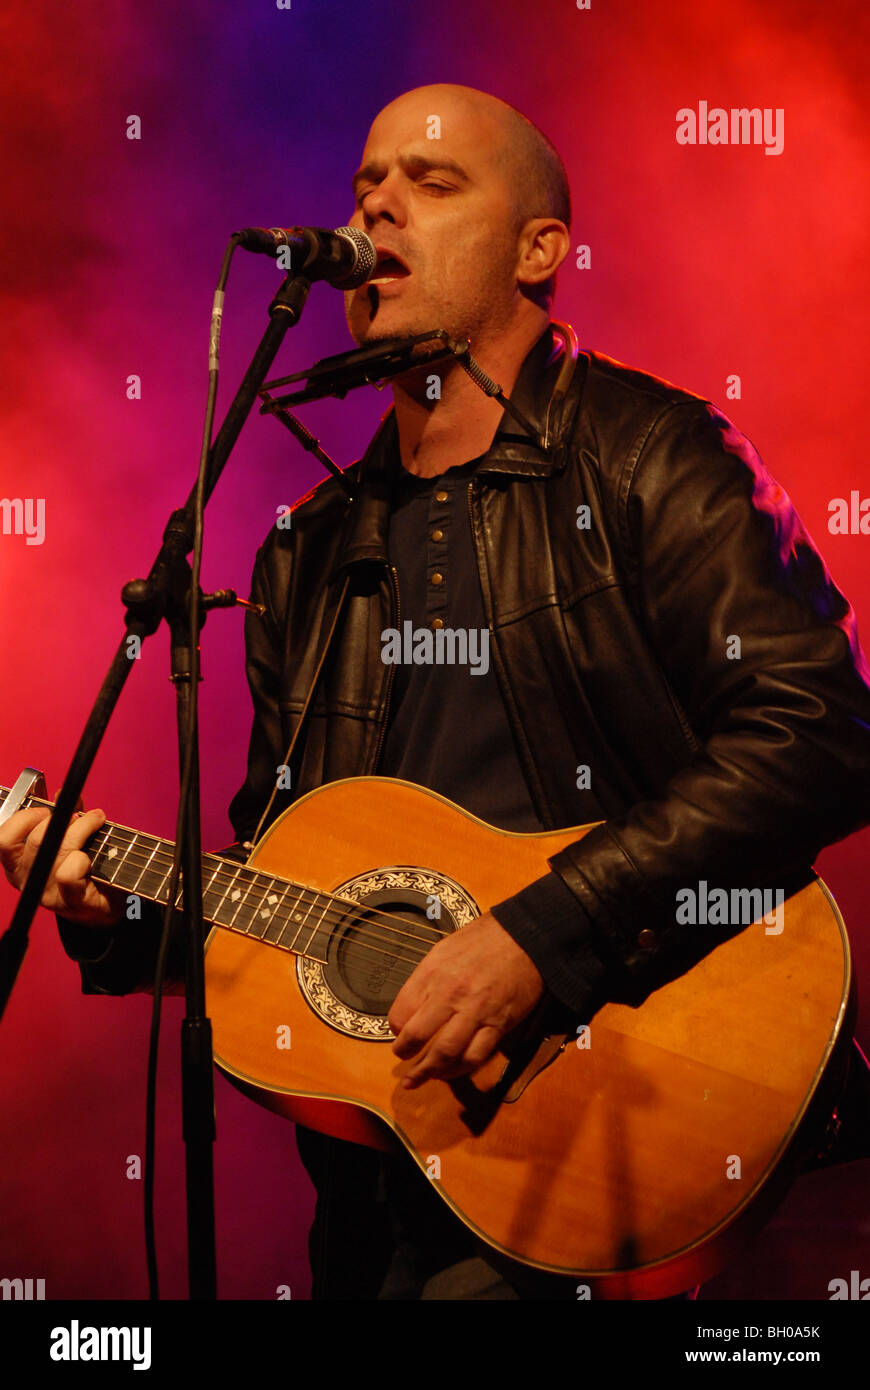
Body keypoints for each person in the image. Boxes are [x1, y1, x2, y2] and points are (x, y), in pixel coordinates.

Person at [3, 83, 870, 1300]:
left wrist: (543, 933)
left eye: (433, 181)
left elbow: (820, 730)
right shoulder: (309, 550)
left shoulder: (648, 459)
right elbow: (291, 902)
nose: (378, 203)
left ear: (540, 250)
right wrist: (113, 912)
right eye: (366, 185)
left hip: (644, 1123)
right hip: (396, 1201)